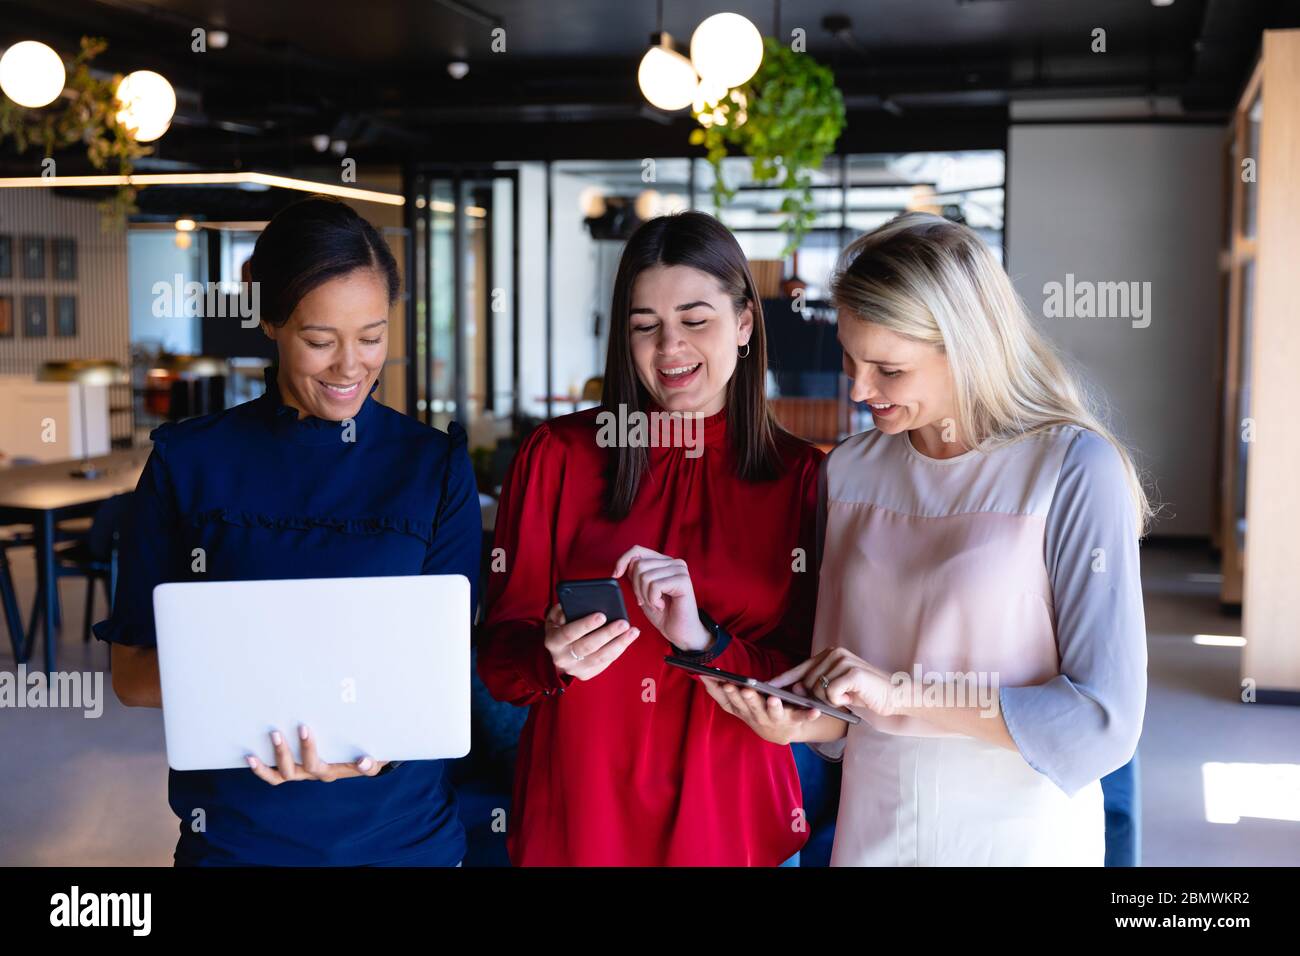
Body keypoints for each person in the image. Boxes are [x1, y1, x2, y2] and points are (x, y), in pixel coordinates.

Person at [707, 212, 1148, 866]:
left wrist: (905, 695)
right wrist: (802, 721)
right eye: (850, 359)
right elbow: (845, 700)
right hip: (874, 830)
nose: (859, 390)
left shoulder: (1074, 471)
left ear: (966, 348)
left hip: (1019, 838)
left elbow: (1101, 720)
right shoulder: (849, 471)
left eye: (888, 369)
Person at [98, 195, 481, 866]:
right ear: (270, 319)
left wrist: (362, 728)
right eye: (319, 339)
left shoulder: (434, 465)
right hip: (238, 839)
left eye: (371, 335)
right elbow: (131, 675)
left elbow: (445, 670)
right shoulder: (189, 462)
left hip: (403, 836)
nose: (350, 367)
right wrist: (294, 699)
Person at [478, 211, 823, 865]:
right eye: (645, 327)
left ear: (745, 323)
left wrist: (704, 641)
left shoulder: (805, 477)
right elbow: (499, 664)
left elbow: (806, 685)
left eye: (696, 321)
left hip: (736, 828)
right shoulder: (557, 456)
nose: (670, 348)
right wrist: (550, 656)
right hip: (580, 823)